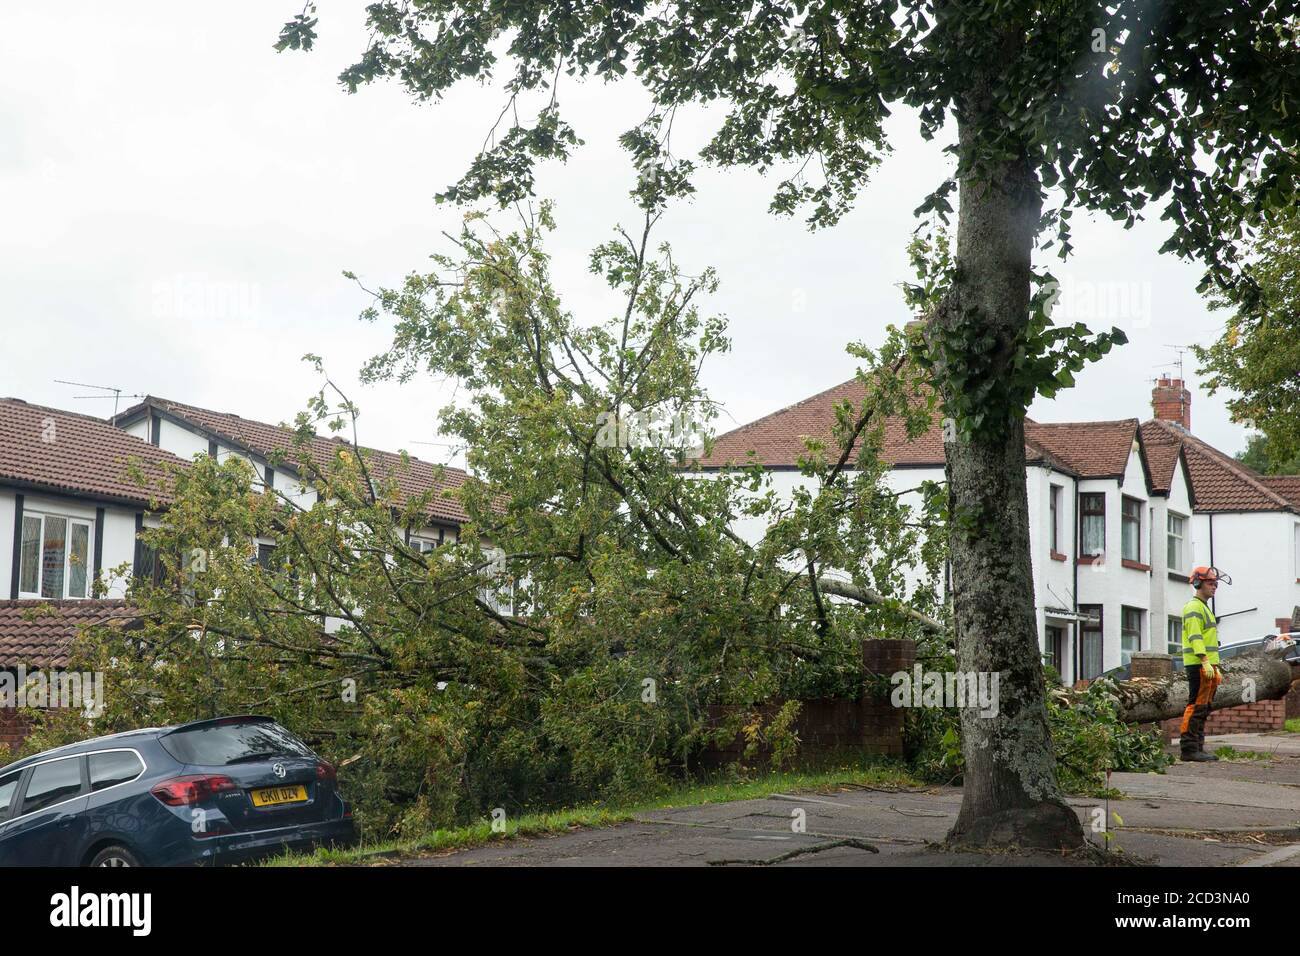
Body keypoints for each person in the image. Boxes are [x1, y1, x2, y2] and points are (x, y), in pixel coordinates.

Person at [1179, 566, 1231, 762]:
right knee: (1196, 705)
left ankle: (1197, 747)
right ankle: (1189, 749)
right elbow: (1195, 636)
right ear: (1197, 583)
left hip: (1208, 665)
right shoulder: (1193, 607)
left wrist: (1213, 665)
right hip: (1199, 664)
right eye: (1210, 583)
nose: (1214, 587)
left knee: (1204, 707)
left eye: (1215, 584)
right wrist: (1205, 661)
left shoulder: (1203, 607)